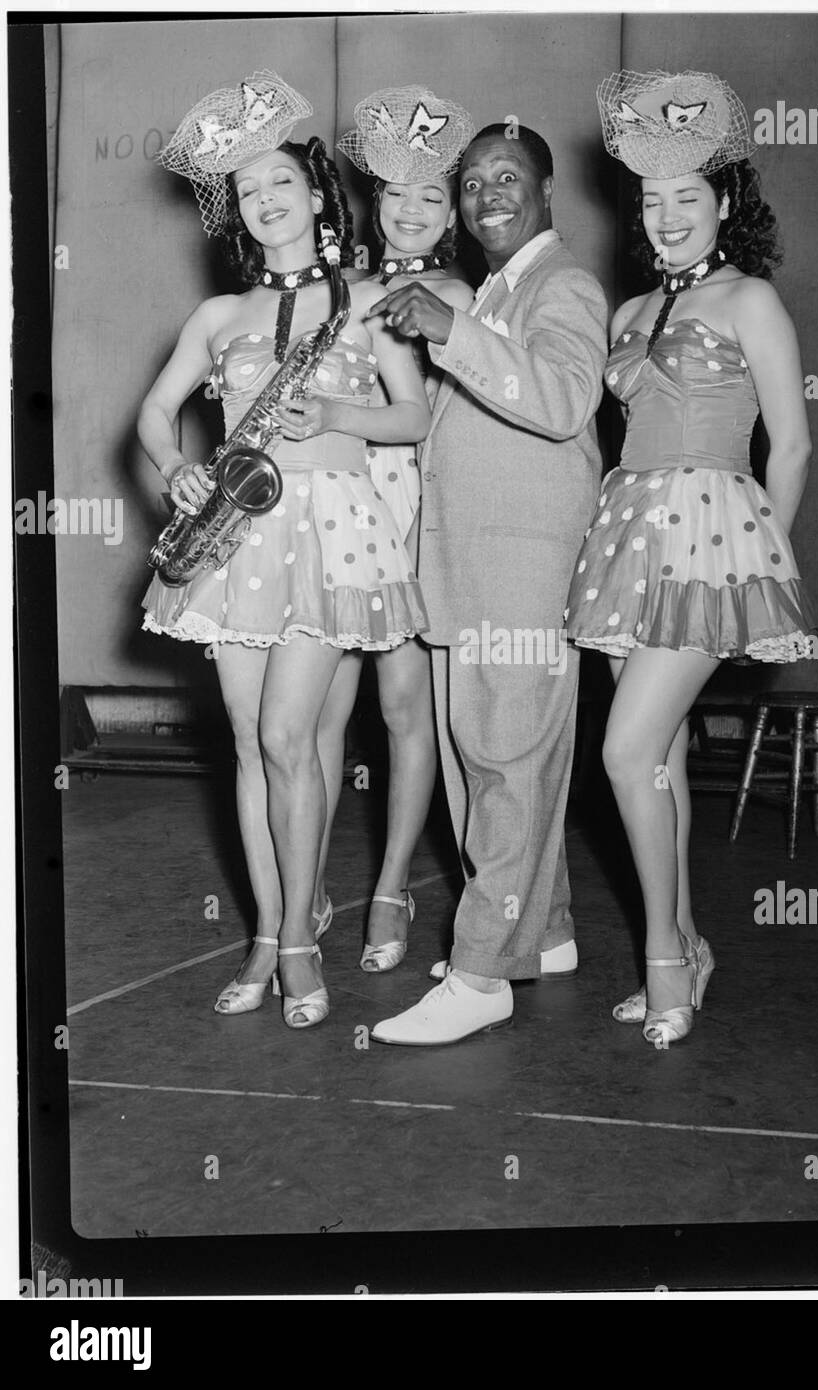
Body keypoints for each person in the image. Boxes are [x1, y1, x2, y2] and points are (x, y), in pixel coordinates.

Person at [139, 72, 431, 1027]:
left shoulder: (374, 299)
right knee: (247, 744)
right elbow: (153, 413)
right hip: (237, 536)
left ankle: (302, 941)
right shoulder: (218, 319)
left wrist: (339, 410)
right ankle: (268, 932)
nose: (267, 202)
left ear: (314, 193)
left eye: (282, 184)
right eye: (249, 191)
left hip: (333, 532)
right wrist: (174, 467)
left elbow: (414, 413)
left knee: (284, 734)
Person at [565, 69, 818, 1047]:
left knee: (624, 751)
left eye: (688, 198)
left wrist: (761, 560)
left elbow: (790, 446)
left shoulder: (751, 299)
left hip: (712, 540)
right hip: (627, 538)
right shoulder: (628, 315)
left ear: (724, 204)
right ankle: (685, 948)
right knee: (656, 759)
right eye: (653, 201)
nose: (668, 218)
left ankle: (667, 962)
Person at [367, 122, 609, 1045]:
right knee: (487, 763)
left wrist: (448, 325)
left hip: (521, 566)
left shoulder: (565, 285)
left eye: (508, 177)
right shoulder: (501, 286)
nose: (485, 195)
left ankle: (480, 978)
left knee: (506, 763)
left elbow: (558, 402)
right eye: (470, 183)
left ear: (549, 193)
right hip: (468, 564)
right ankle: (539, 934)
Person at [331, 86, 476, 973]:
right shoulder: (341, 290)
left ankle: (392, 885)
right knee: (316, 710)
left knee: (401, 707)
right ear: (375, 203)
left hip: (418, 510)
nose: (412, 212)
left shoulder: (459, 292)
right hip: (338, 505)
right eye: (397, 195)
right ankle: (302, 885)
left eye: (432, 196)